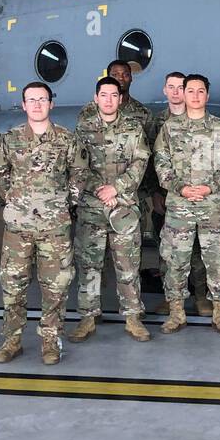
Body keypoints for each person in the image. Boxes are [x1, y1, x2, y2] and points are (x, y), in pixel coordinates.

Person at [0, 82, 87, 365]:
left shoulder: (68, 140)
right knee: (13, 285)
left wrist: (64, 203)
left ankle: (50, 341)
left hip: (54, 227)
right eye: (31, 100)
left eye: (42, 99)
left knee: (55, 286)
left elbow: (79, 175)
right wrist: (17, 201)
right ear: (23, 105)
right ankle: (12, 340)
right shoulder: (9, 140)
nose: (37, 104)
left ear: (51, 104)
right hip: (19, 227)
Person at [69, 76, 152, 343]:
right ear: (96, 98)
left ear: (120, 98)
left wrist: (117, 188)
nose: (108, 100)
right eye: (103, 95)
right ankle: (88, 318)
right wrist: (100, 189)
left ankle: (132, 318)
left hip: (124, 206)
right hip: (92, 208)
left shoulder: (133, 128)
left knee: (128, 264)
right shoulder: (83, 129)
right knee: (89, 264)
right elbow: (78, 167)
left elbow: (141, 162)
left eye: (113, 95)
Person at [154, 73, 220, 337]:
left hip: (211, 206)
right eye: (191, 91)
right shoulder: (169, 128)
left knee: (217, 260)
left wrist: (210, 187)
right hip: (180, 205)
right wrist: (182, 188)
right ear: (184, 94)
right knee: (176, 260)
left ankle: (219, 313)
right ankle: (177, 313)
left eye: (201, 91)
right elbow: (161, 164)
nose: (196, 96)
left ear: (207, 95)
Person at [76, 58, 153, 134]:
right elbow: (81, 138)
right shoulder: (89, 109)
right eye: (115, 75)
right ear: (108, 77)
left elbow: (149, 143)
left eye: (125, 75)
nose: (120, 78)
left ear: (131, 78)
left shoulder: (144, 112)